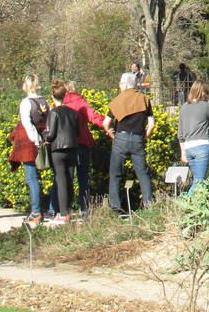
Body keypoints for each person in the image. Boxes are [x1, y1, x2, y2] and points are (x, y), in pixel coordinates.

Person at [45, 82, 108, 218]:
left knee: (61, 177)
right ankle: (84, 209)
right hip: (82, 143)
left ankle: (56, 208)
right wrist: (107, 125)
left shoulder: (57, 104)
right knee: (83, 178)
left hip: (62, 146)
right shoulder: (80, 102)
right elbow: (93, 117)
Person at [105, 71, 155, 213]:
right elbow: (151, 125)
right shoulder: (144, 99)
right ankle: (148, 206)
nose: (119, 86)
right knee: (143, 174)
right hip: (138, 138)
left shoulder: (117, 101)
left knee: (115, 173)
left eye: (120, 84)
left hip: (120, 138)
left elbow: (105, 123)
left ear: (126, 85)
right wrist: (144, 137)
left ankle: (115, 207)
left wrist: (112, 135)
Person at [10, 73, 49, 225]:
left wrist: (35, 140)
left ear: (25, 86)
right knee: (38, 178)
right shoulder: (44, 102)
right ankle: (46, 209)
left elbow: (27, 124)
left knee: (32, 178)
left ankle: (36, 212)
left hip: (30, 142)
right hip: (43, 140)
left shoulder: (26, 102)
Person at [44, 79, 80, 225]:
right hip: (72, 148)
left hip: (58, 150)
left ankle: (63, 213)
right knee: (69, 179)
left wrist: (44, 136)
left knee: (61, 180)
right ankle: (69, 210)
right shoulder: (74, 113)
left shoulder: (54, 113)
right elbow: (77, 132)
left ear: (53, 97)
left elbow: (51, 134)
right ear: (65, 96)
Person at [178, 80, 209, 191]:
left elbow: (180, 134)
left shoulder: (184, 107)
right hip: (202, 147)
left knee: (196, 180)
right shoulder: (206, 106)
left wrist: (183, 153)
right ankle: (185, 203)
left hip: (188, 148)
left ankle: (192, 205)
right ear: (203, 92)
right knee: (199, 182)